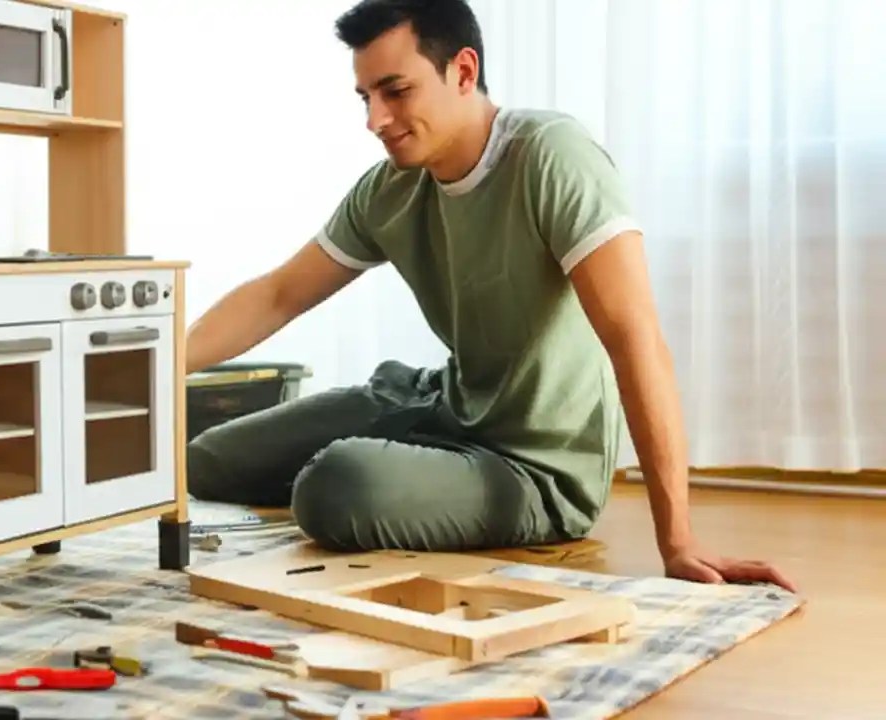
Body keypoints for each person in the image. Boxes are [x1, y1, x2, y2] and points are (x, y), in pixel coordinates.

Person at [183, 0, 796, 592]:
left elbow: (635, 340)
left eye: (396, 92)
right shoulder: (389, 187)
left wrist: (678, 541)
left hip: (535, 465)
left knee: (334, 487)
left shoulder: (553, 158)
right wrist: (155, 370)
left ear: (464, 71)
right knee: (208, 458)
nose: (375, 120)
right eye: (365, 98)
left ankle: (407, 479)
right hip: (443, 405)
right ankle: (415, 472)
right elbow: (278, 294)